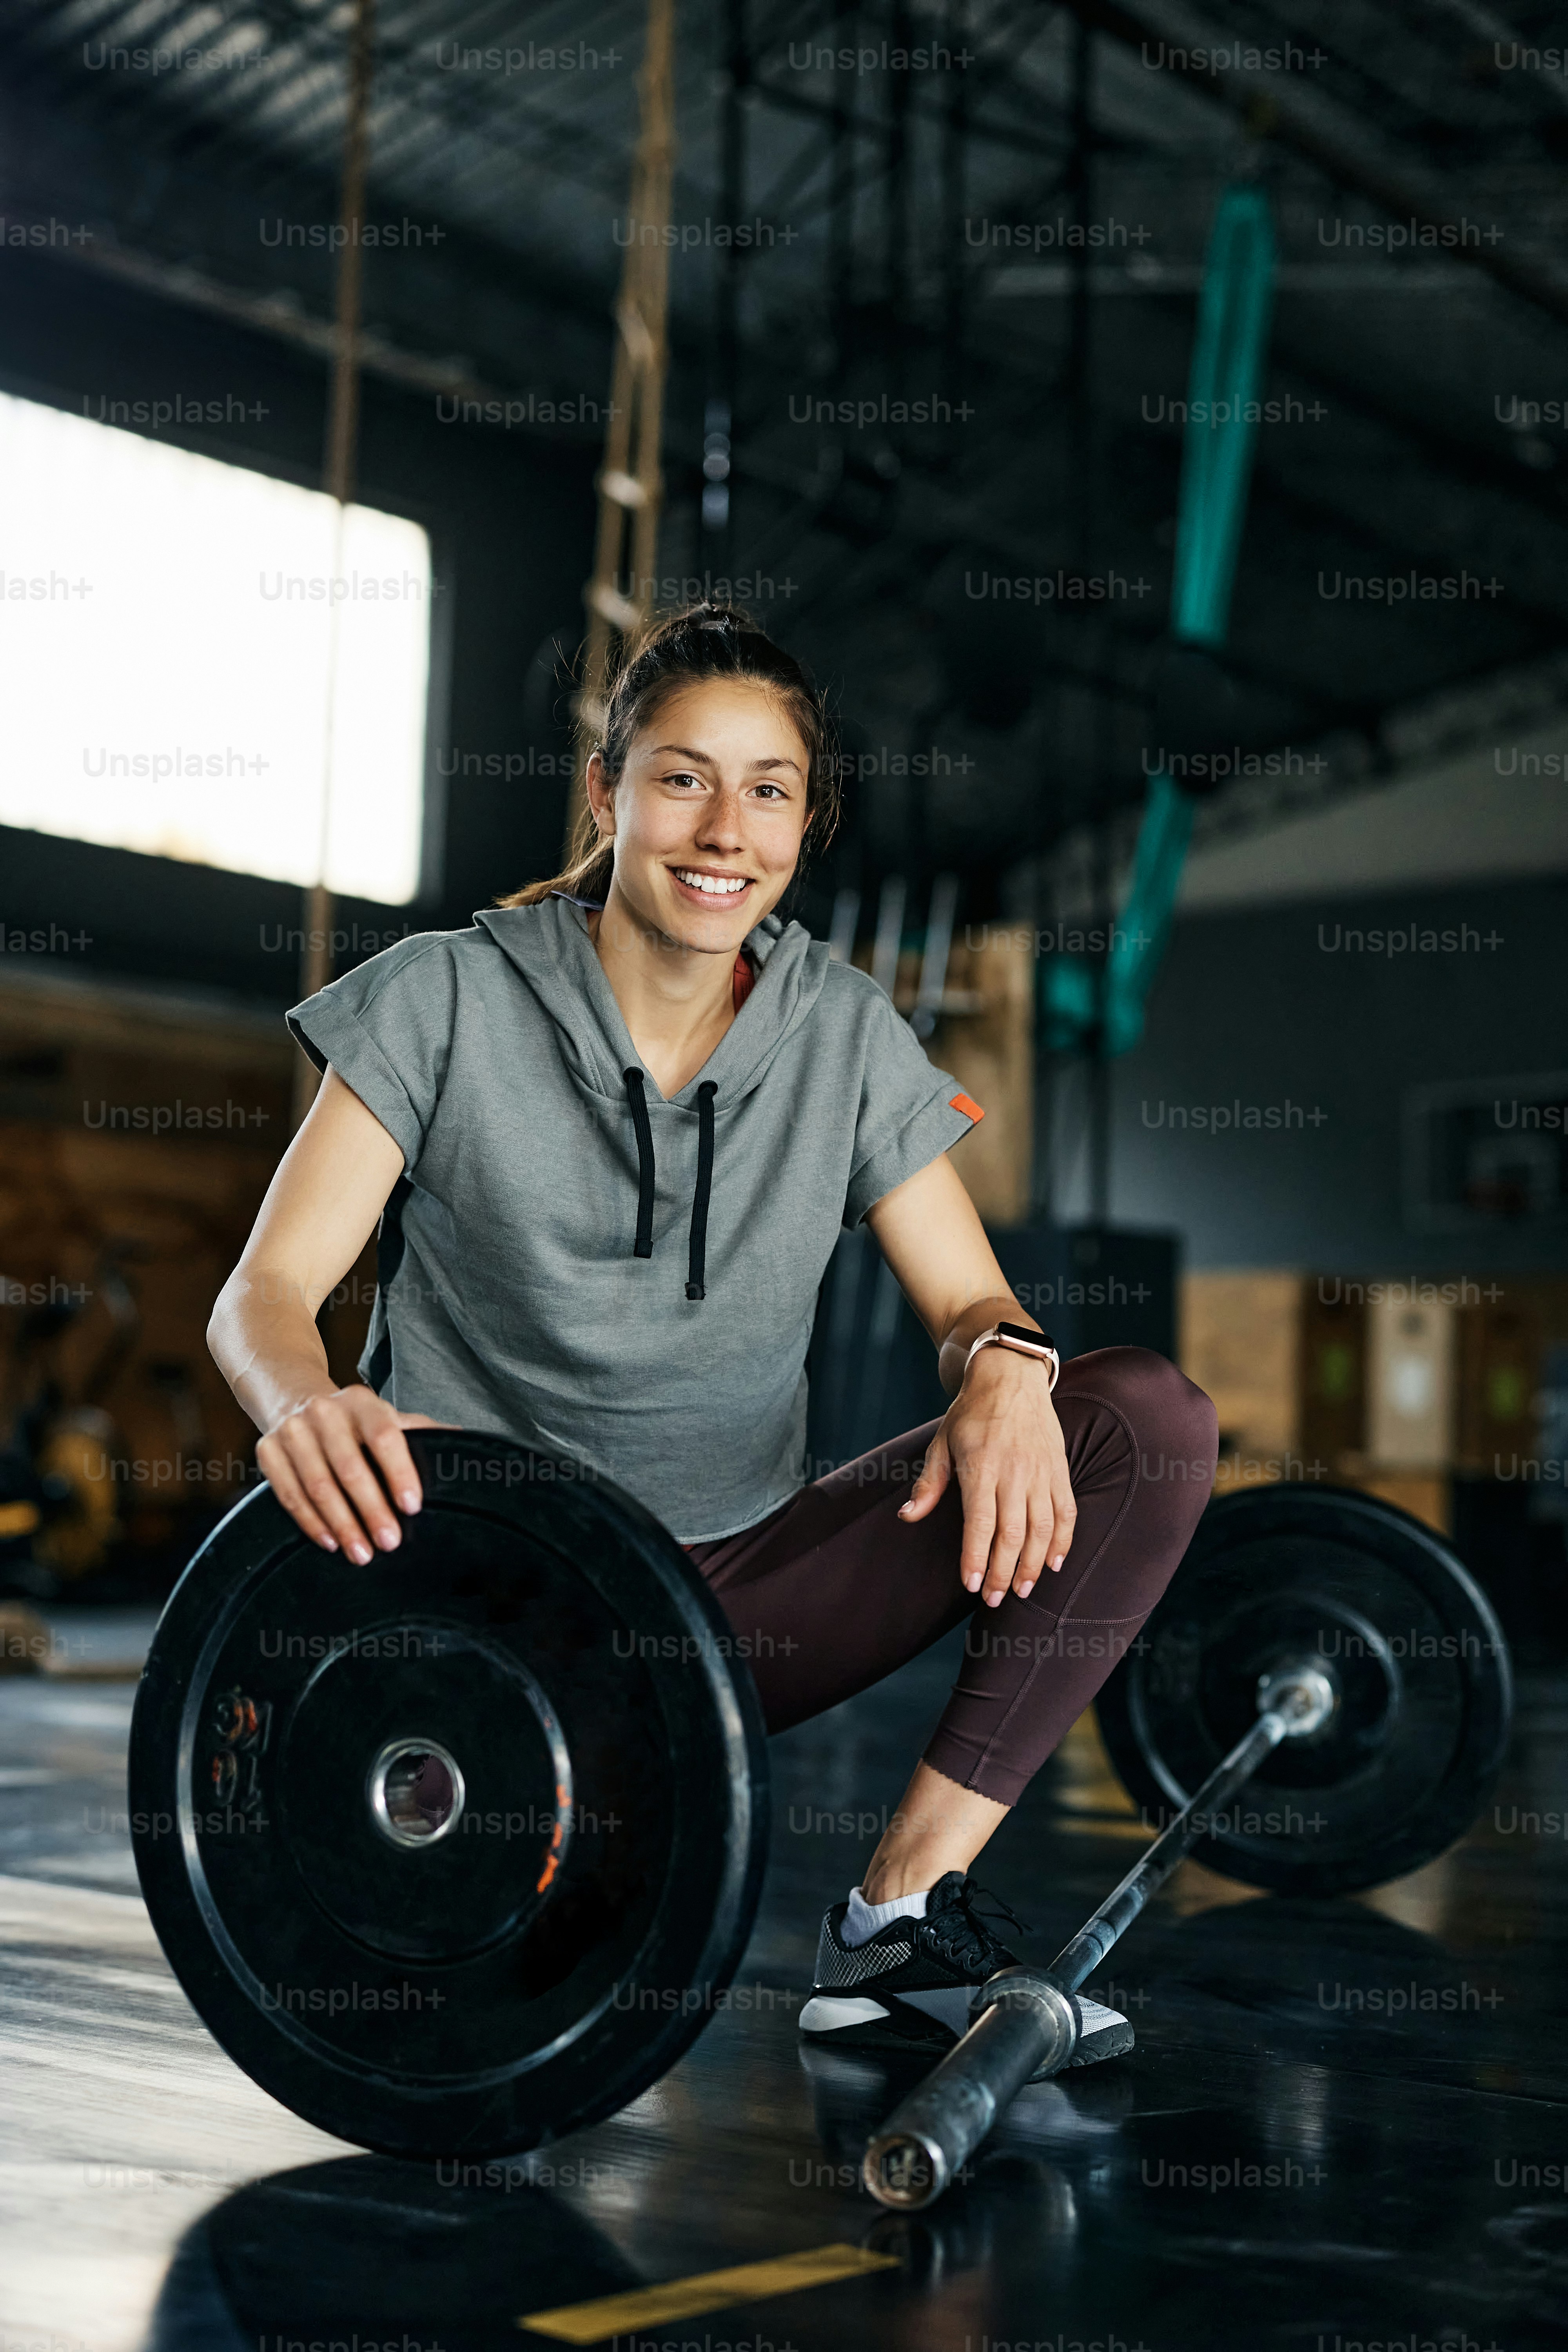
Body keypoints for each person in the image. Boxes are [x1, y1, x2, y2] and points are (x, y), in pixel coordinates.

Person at [208, 603, 1217, 2075]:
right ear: (609, 793)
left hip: (724, 1613)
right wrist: (302, 1408)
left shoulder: (842, 1035)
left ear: (807, 826)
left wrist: (1006, 1366)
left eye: (769, 789)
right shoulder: (442, 998)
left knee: (1145, 1421)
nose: (722, 827)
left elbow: (968, 1299)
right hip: (482, 1596)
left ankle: (892, 1926)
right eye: (682, 777)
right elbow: (266, 1298)